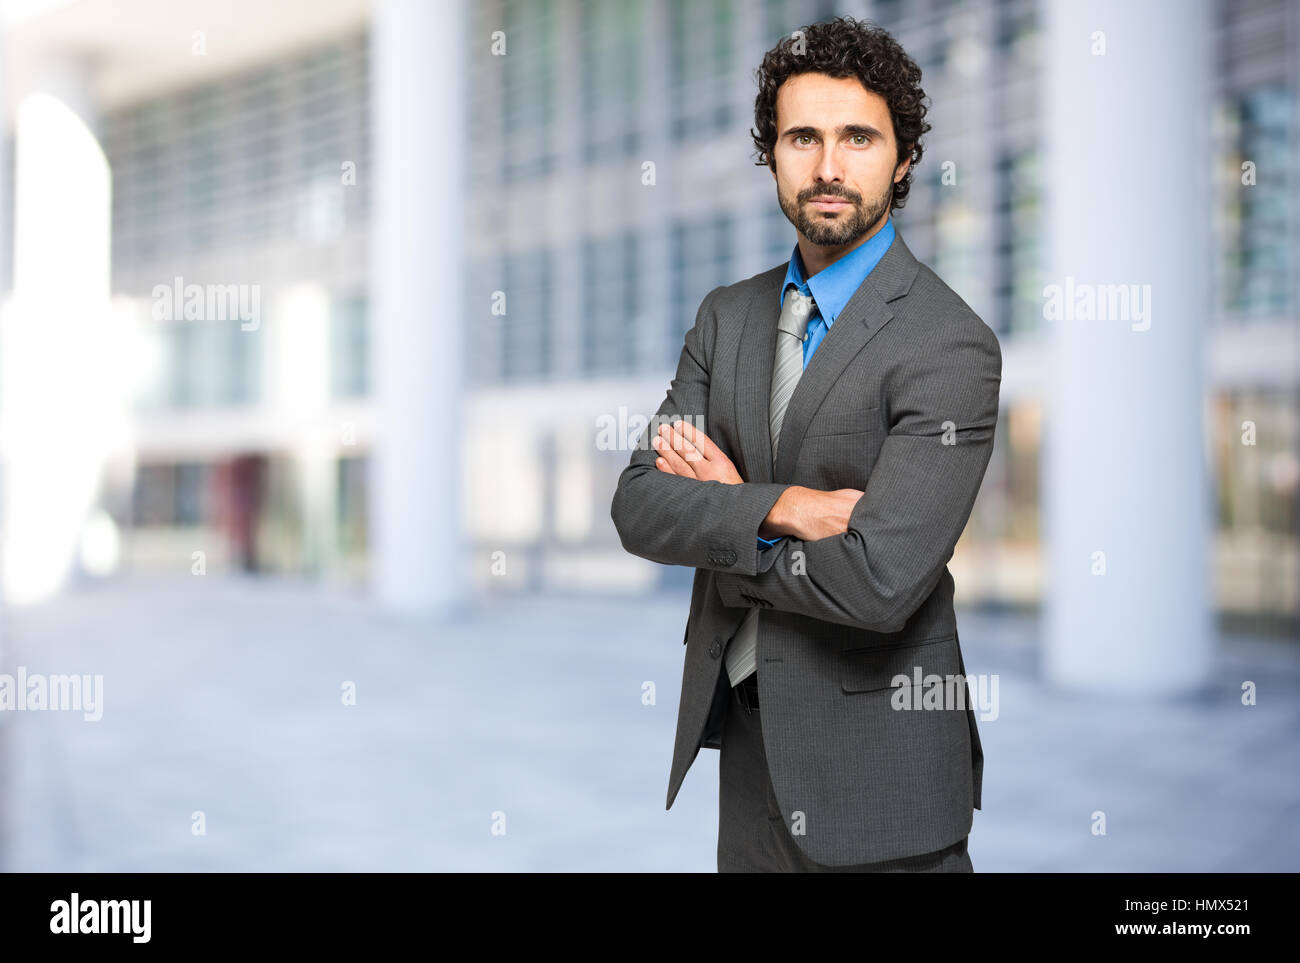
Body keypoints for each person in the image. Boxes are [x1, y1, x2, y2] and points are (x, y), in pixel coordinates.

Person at [610, 16, 1001, 872]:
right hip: (750, 762)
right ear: (772, 154)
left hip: (883, 782)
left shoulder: (949, 344)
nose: (828, 165)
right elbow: (638, 504)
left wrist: (726, 517)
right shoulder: (726, 317)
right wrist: (787, 506)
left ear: (902, 159)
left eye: (858, 137)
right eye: (802, 137)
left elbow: (878, 580)